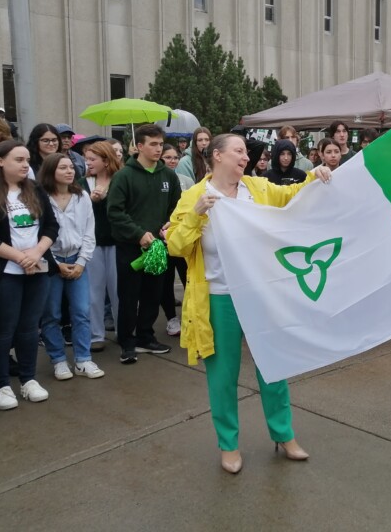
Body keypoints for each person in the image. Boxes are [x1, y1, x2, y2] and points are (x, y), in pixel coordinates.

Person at [166, 133, 331, 473]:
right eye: (238, 151)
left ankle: (283, 435)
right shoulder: (194, 196)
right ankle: (228, 444)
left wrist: (317, 175)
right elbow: (176, 247)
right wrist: (196, 215)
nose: (246, 157)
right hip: (219, 298)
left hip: (259, 295)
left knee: (274, 368)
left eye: (246, 152)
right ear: (217, 156)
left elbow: (292, 195)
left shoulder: (256, 188)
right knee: (223, 376)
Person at [0, 140, 59, 409]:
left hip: (36, 270)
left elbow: (51, 225)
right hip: (3, 272)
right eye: (19, 159)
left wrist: (37, 253)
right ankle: (1, 385)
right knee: (2, 330)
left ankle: (28, 379)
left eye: (27, 159)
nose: (26, 164)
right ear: (0, 161)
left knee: (29, 328)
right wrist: (17, 256)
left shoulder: (34, 189)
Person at [107, 124, 181, 364]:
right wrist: (138, 234)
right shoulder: (123, 176)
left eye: (161, 144)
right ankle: (127, 342)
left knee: (153, 293)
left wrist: (169, 224)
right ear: (139, 146)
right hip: (130, 247)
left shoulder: (168, 175)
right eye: (153, 144)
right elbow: (115, 212)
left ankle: (145, 337)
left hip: (158, 247)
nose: (159, 149)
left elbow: (176, 207)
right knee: (129, 296)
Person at [38, 153, 104, 380]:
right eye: (62, 168)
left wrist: (81, 261)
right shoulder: (40, 198)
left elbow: (89, 231)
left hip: (77, 259)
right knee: (51, 314)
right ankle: (58, 359)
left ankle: (83, 359)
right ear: (50, 171)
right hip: (50, 260)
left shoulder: (81, 196)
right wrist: (55, 265)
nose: (69, 171)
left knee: (81, 311)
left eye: (71, 167)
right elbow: (38, 234)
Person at [83, 141, 123, 352]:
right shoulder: (82, 183)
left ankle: (123, 331)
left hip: (117, 242)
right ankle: (96, 335)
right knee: (93, 292)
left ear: (106, 161)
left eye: (92, 159)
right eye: (86, 159)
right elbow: (78, 212)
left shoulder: (120, 180)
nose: (88, 163)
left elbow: (125, 208)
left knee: (119, 290)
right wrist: (91, 200)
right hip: (93, 244)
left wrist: (107, 199)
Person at [159, 143, 191, 336]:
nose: (172, 161)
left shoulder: (186, 180)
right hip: (162, 237)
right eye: (167, 157)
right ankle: (171, 318)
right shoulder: (156, 179)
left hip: (182, 236)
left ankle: (190, 316)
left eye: (174, 157)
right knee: (166, 279)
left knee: (188, 277)